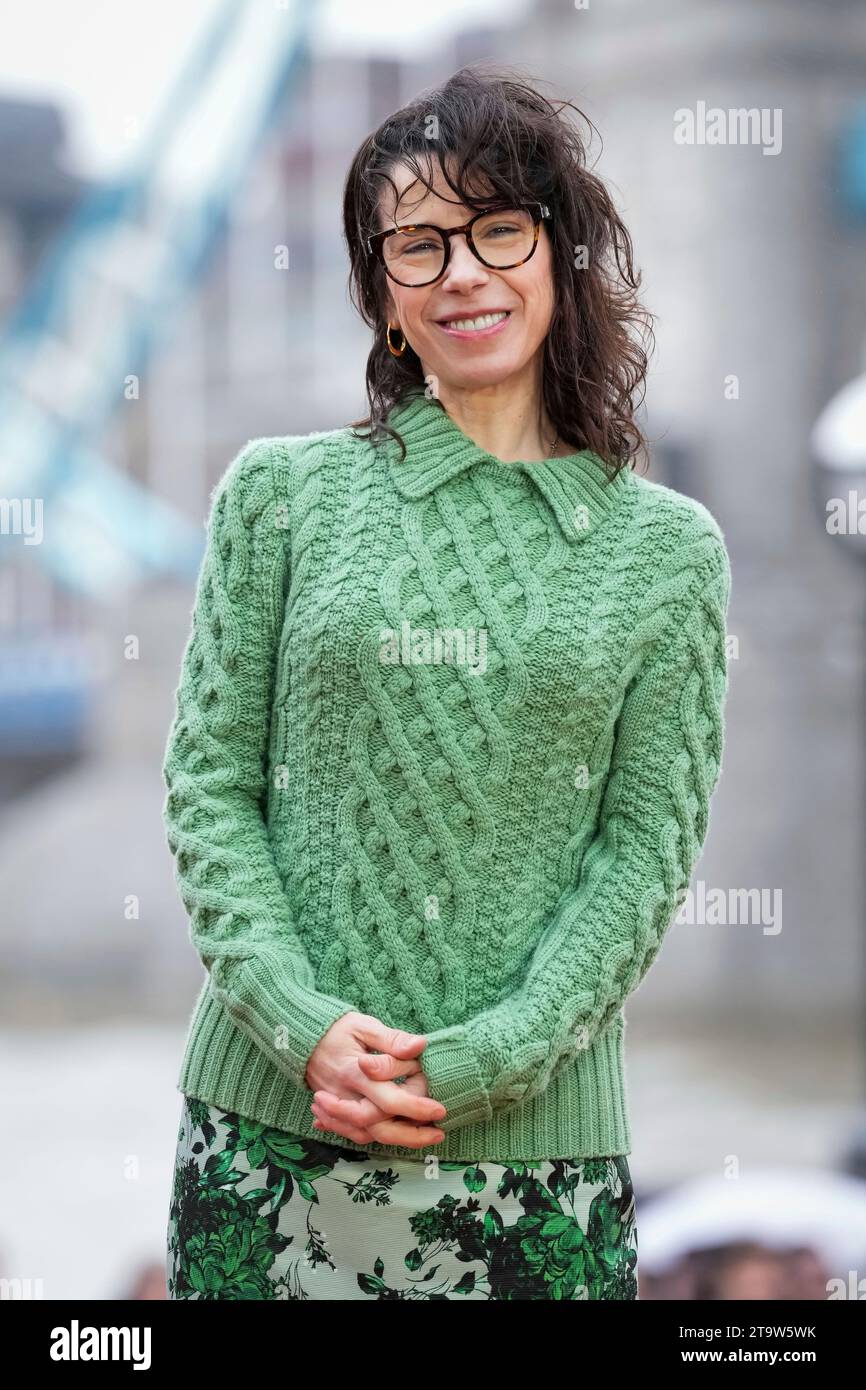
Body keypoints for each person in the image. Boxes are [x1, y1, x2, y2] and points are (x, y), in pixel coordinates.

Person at [162, 63, 731, 1301]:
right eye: (414, 247)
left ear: (559, 256)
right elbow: (208, 780)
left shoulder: (668, 551)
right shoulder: (279, 496)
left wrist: (494, 1056)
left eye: (496, 230)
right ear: (380, 297)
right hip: (269, 1140)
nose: (460, 271)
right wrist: (295, 1019)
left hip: (537, 1169)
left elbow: (642, 851)